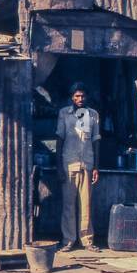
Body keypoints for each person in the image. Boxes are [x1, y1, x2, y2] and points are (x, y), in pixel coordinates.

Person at [56, 82, 101, 252]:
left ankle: (87, 241)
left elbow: (96, 140)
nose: (80, 99)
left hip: (87, 165)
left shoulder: (93, 115)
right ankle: (68, 240)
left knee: (86, 204)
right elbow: (59, 140)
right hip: (69, 164)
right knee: (68, 205)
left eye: (82, 96)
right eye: (77, 96)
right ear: (72, 98)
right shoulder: (64, 114)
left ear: (86, 97)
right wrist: (59, 166)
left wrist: (96, 166)